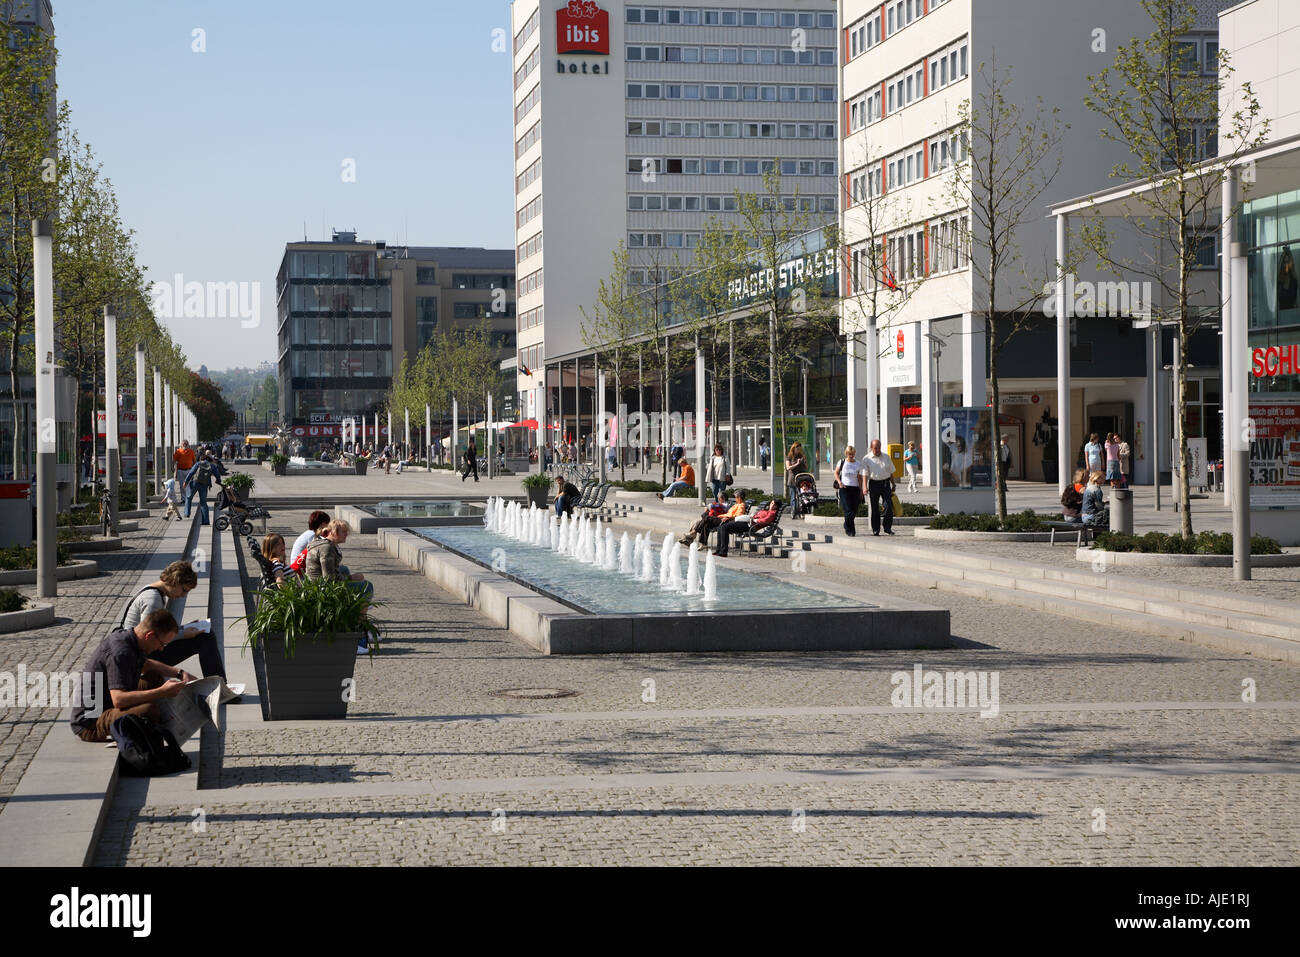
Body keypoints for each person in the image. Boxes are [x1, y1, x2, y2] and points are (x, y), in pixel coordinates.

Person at [70, 609, 190, 743]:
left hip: (108, 701)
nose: (161, 649)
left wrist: (180, 673)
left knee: (154, 676)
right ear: (149, 635)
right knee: (148, 711)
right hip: (92, 722)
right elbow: (119, 700)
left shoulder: (131, 639)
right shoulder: (121, 652)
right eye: (162, 644)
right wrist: (162, 692)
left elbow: (147, 664)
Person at [119, 561, 225, 680]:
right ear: (175, 581)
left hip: (140, 650)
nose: (183, 595)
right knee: (205, 637)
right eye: (184, 590)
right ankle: (218, 685)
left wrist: (183, 628)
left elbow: (155, 631)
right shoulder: (152, 599)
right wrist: (183, 633)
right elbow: (149, 637)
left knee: (204, 635)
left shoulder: (152, 591)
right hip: (141, 656)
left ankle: (218, 683)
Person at [303, 519, 373, 653]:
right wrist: (351, 578)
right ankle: (359, 636)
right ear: (333, 532)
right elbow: (329, 579)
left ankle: (359, 610)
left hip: (315, 586)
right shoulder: (327, 548)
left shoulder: (322, 543)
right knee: (367, 587)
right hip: (321, 590)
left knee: (345, 570)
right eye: (343, 532)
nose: (346, 534)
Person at [862, 439, 897, 536]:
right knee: (875, 508)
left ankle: (887, 528)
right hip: (874, 484)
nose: (877, 450)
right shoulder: (866, 459)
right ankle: (876, 529)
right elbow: (864, 474)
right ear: (871, 448)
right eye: (875, 448)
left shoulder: (886, 457)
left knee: (888, 506)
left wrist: (893, 484)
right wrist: (864, 487)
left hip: (885, 484)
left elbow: (891, 472)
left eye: (879, 448)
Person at [182, 451, 223, 526]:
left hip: (195, 482)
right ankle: (205, 521)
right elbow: (217, 474)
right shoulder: (212, 465)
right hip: (205, 484)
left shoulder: (198, 463)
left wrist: (186, 481)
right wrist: (218, 480)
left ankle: (187, 513)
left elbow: (191, 472)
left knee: (189, 497)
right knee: (203, 503)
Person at [833, 445, 865, 537]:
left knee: (854, 510)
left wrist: (861, 490)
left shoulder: (858, 463)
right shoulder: (842, 462)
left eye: (852, 454)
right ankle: (851, 530)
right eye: (849, 454)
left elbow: (859, 478)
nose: (851, 456)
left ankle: (846, 524)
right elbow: (836, 473)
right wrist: (839, 482)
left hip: (855, 489)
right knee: (848, 510)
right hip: (844, 488)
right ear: (846, 454)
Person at [785, 442, 808, 518]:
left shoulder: (801, 455)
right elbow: (788, 467)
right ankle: (793, 511)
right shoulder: (789, 456)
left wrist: (804, 461)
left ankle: (801, 512)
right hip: (793, 479)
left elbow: (806, 467)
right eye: (797, 449)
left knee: (802, 496)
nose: (798, 451)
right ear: (794, 448)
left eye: (799, 449)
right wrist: (797, 464)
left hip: (801, 479)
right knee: (793, 497)